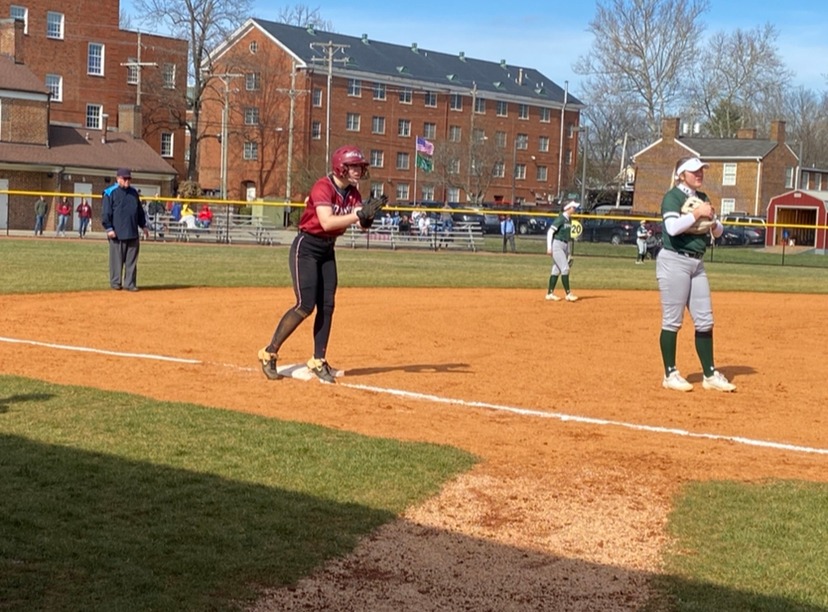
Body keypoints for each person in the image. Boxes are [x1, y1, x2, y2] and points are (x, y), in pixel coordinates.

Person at [258, 145, 385, 383]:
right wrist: (358, 215)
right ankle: (269, 352)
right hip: (306, 248)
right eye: (353, 166)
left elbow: (360, 224)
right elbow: (327, 222)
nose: (358, 171)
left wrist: (368, 215)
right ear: (341, 167)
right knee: (305, 305)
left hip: (327, 250)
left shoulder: (353, 193)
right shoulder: (323, 187)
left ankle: (318, 360)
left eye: (360, 167)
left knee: (327, 306)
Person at [657, 156, 734, 392]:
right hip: (674, 260)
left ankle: (709, 375)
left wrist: (713, 220)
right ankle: (670, 374)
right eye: (694, 171)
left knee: (705, 320)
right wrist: (697, 213)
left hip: (697, 263)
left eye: (701, 170)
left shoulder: (703, 197)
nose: (699, 174)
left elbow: (718, 233)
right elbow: (672, 228)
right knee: (672, 320)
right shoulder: (672, 197)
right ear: (681, 175)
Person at [101, 168, 149, 291]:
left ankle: (130, 283)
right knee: (116, 261)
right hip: (117, 234)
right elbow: (106, 213)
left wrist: (143, 226)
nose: (127, 181)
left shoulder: (134, 193)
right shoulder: (110, 192)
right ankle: (116, 283)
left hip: (132, 232)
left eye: (129, 178)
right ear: (118, 179)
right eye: (125, 178)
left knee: (131, 262)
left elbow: (139, 212)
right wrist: (109, 228)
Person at [544, 202, 579, 302]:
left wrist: (569, 252)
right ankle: (568, 294)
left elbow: (567, 237)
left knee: (556, 270)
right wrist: (549, 247)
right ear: (568, 208)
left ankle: (549, 294)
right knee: (565, 269)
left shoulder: (569, 219)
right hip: (557, 245)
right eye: (573, 207)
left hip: (564, 245)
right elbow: (550, 232)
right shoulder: (561, 218)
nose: (575, 209)